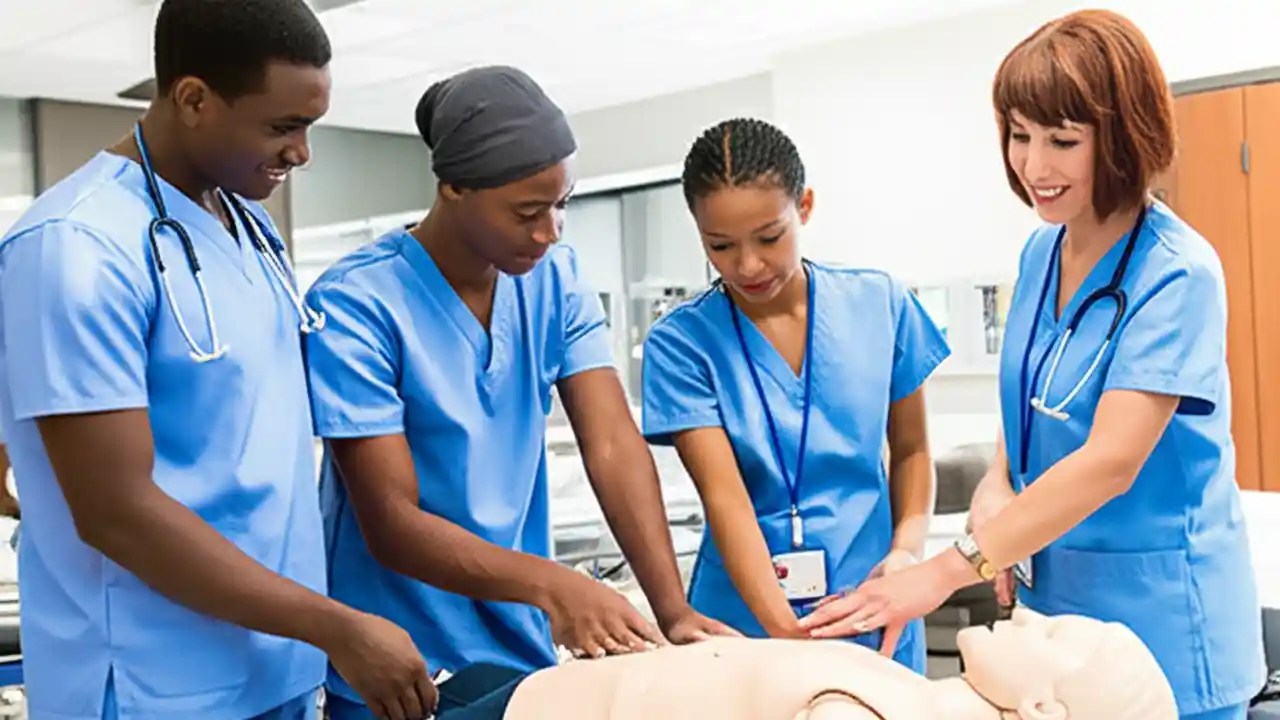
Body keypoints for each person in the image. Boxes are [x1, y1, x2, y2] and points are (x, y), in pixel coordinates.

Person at [795, 10, 1266, 720]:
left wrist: (950, 571)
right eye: (1019, 135)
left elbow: (1111, 459)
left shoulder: (1178, 274)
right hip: (1053, 628)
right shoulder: (1041, 255)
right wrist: (994, 487)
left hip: (1166, 627)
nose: (1033, 166)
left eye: (1062, 141)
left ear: (1124, 135)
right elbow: (1033, 409)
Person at [0, 2, 435, 718]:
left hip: (274, 667)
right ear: (194, 98)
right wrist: (335, 625)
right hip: (154, 687)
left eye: (309, 126)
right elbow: (116, 513)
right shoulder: (76, 246)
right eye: (282, 127)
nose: (302, 153)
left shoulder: (249, 225)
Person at [303, 65, 735, 720]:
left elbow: (614, 445)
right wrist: (553, 587)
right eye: (527, 213)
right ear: (452, 188)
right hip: (397, 666)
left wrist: (671, 610)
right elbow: (391, 522)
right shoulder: (358, 304)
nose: (551, 231)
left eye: (561, 205)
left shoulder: (552, 279)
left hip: (515, 647)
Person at [639, 117, 948, 669]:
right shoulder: (682, 344)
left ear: (803, 207)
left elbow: (913, 451)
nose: (748, 265)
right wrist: (787, 635)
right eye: (720, 245)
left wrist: (906, 552)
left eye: (769, 236)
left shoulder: (880, 303)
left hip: (873, 603)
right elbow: (726, 498)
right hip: (745, 625)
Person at [418, 607, 1177, 719]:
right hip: (557, 689)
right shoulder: (921, 696)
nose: (1030, 615)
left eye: (1049, 639)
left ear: (1042, 711)